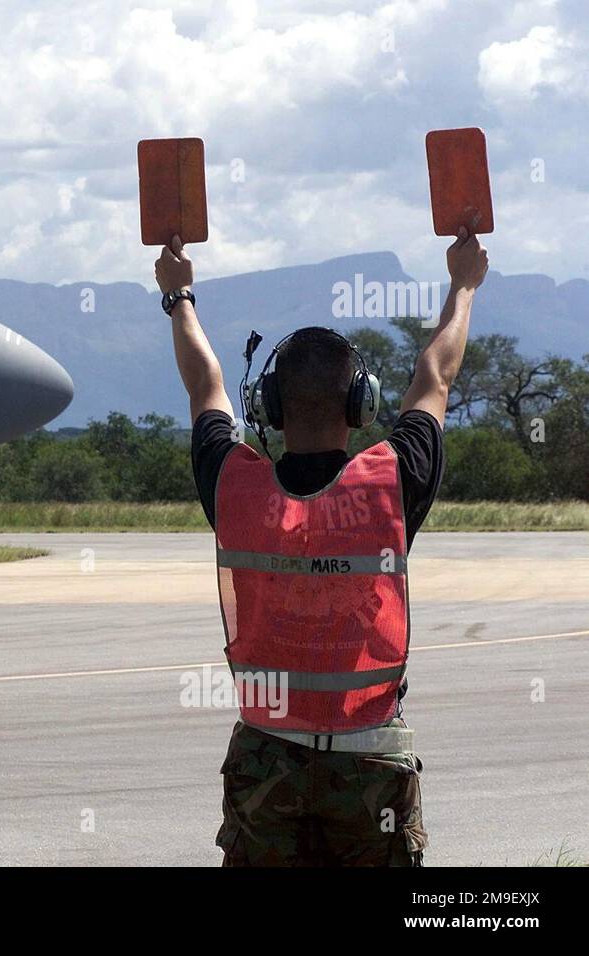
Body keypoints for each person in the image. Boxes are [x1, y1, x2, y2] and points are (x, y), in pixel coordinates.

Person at [156, 226, 488, 866]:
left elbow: (205, 387)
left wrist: (179, 296)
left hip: (265, 761)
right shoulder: (390, 480)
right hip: (369, 762)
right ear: (361, 403)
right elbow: (436, 376)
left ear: (272, 407)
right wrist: (464, 284)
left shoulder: (234, 485)